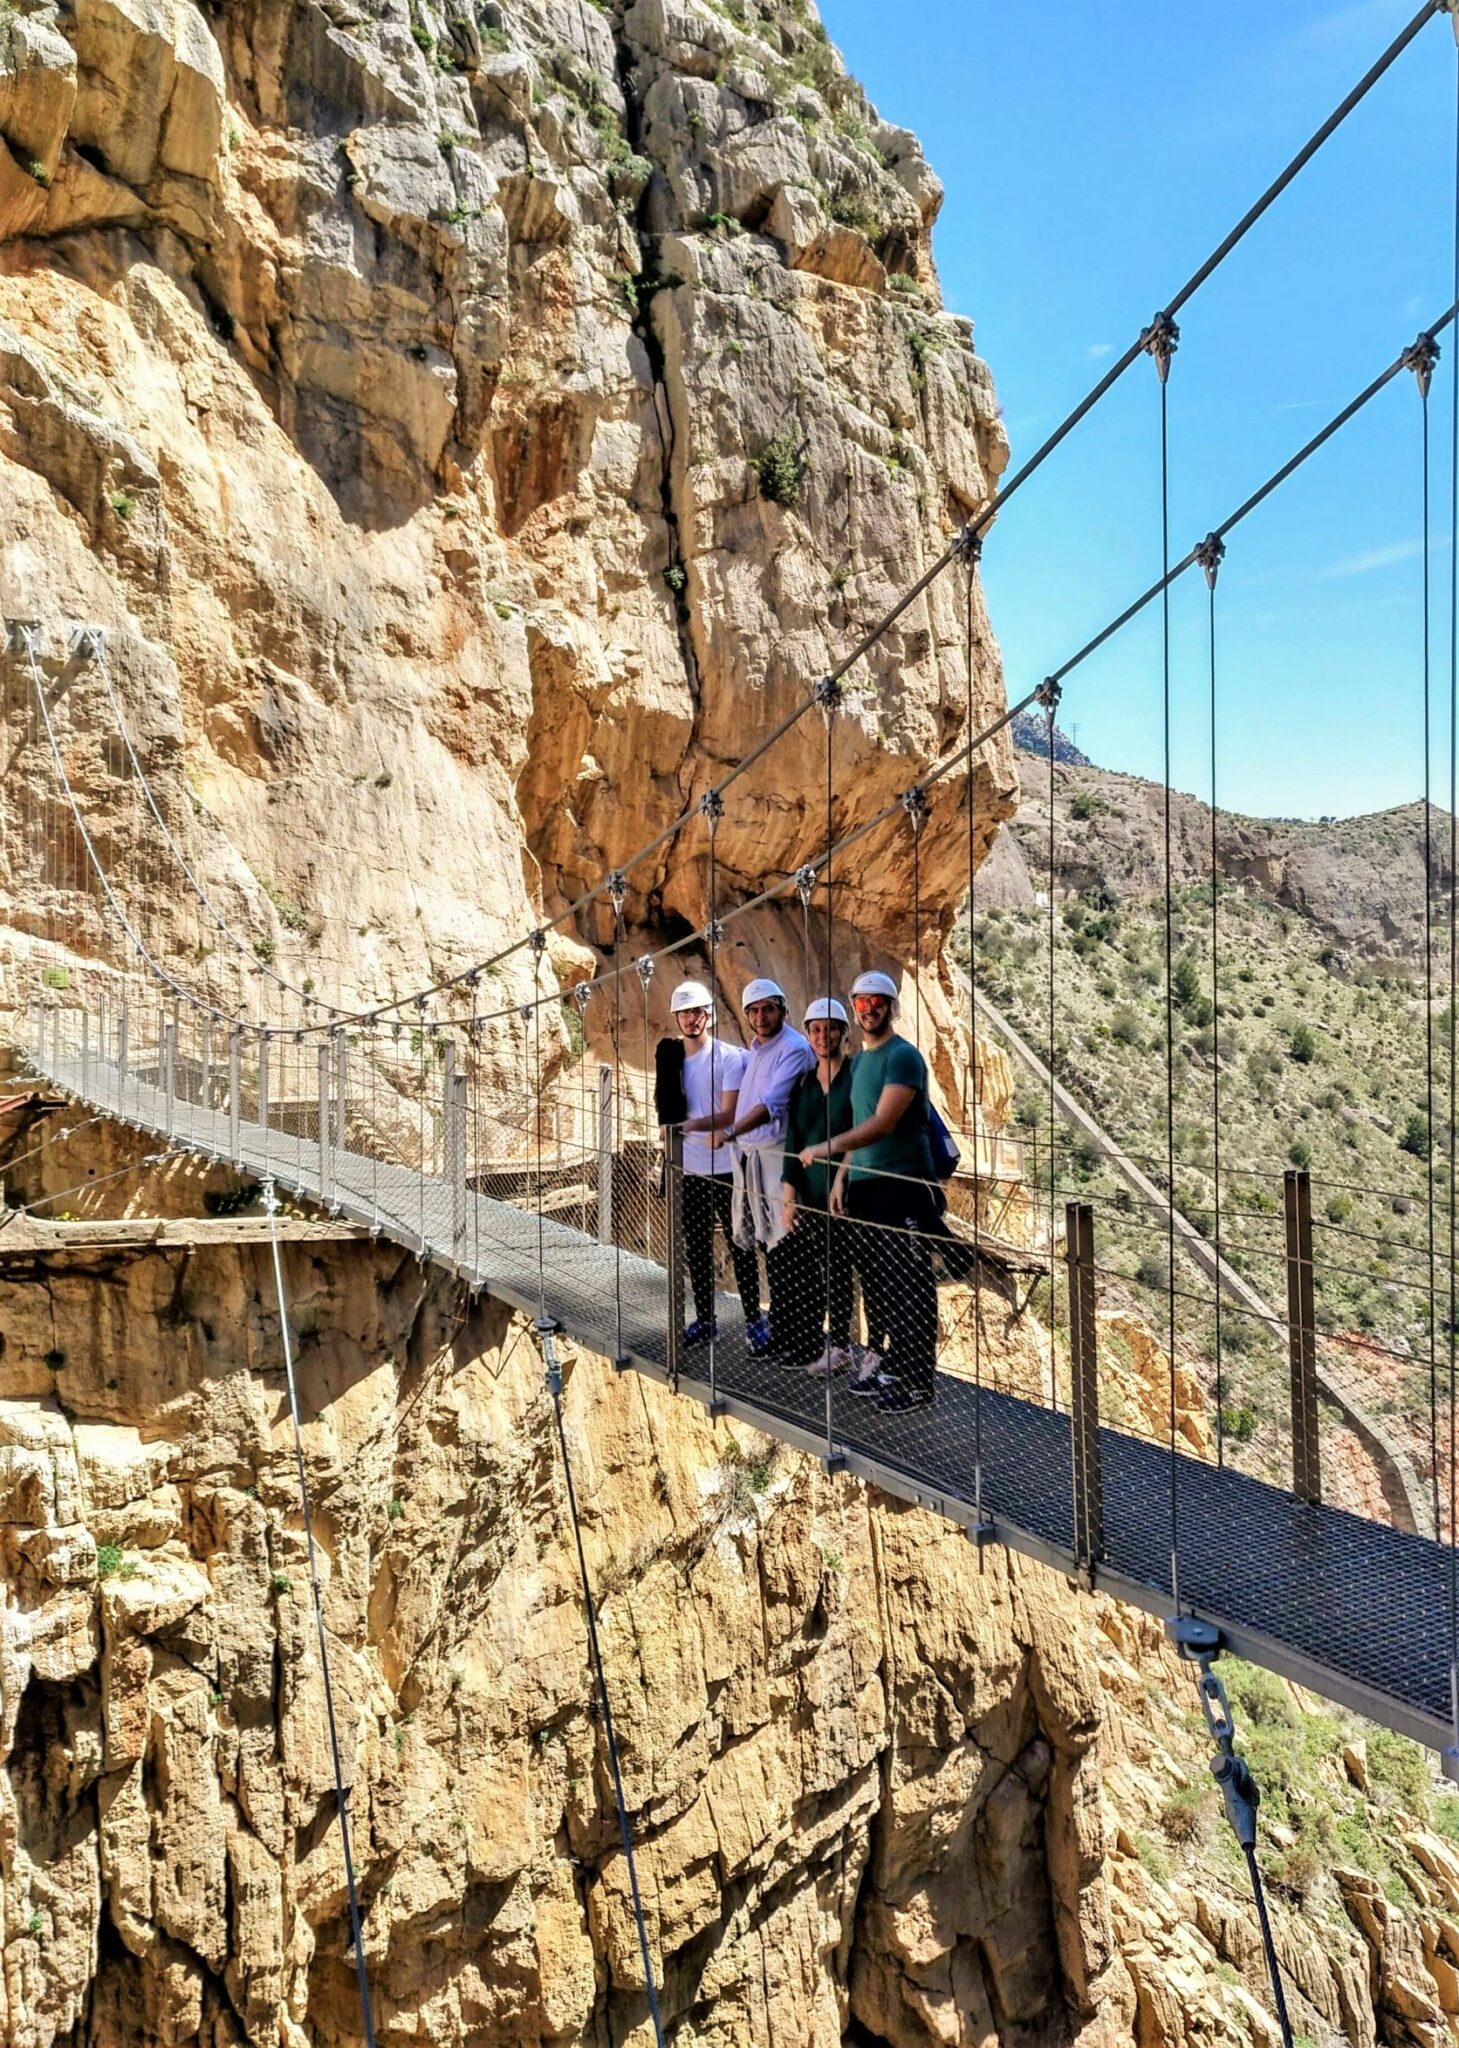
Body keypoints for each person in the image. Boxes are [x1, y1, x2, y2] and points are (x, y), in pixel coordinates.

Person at [801, 969, 939, 1411]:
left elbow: (881, 1123)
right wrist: (843, 1177)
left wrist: (826, 1148)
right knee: (884, 1285)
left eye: (877, 1001)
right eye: (861, 1002)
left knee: (911, 1286)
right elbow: (860, 1126)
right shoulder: (860, 1063)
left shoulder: (903, 1058)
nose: (869, 1008)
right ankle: (896, 1366)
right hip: (866, 1187)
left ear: (891, 1007)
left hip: (904, 1187)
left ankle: (919, 1384)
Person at [695, 977, 814, 1357]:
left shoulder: (794, 1048)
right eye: (754, 1011)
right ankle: (782, 1331)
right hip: (754, 1161)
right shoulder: (758, 1050)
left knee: (789, 1247)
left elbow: (771, 1103)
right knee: (770, 1246)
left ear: (783, 1010)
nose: (761, 1017)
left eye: (768, 1009)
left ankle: (801, 1338)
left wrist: (730, 1131)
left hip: (780, 1159)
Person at [656, 980, 761, 1344]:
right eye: (685, 1012)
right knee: (696, 1247)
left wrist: (682, 1127)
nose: (691, 1019)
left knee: (740, 1244)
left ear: (708, 1015)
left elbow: (729, 1113)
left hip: (727, 1167)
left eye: (697, 1011)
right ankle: (705, 1319)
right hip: (690, 1168)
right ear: (677, 1017)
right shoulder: (671, 1062)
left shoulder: (729, 1057)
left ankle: (753, 1321)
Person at [781, 997, 861, 1377]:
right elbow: (793, 1141)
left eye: (830, 1028)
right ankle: (837, 1347)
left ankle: (871, 1349)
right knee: (826, 1272)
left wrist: (842, 1177)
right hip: (812, 1195)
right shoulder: (804, 1085)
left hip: (847, 1195)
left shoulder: (855, 1077)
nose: (822, 1036)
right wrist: (788, 1195)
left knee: (858, 1269)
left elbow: (860, 1131)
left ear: (844, 1033)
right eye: (815, 1029)